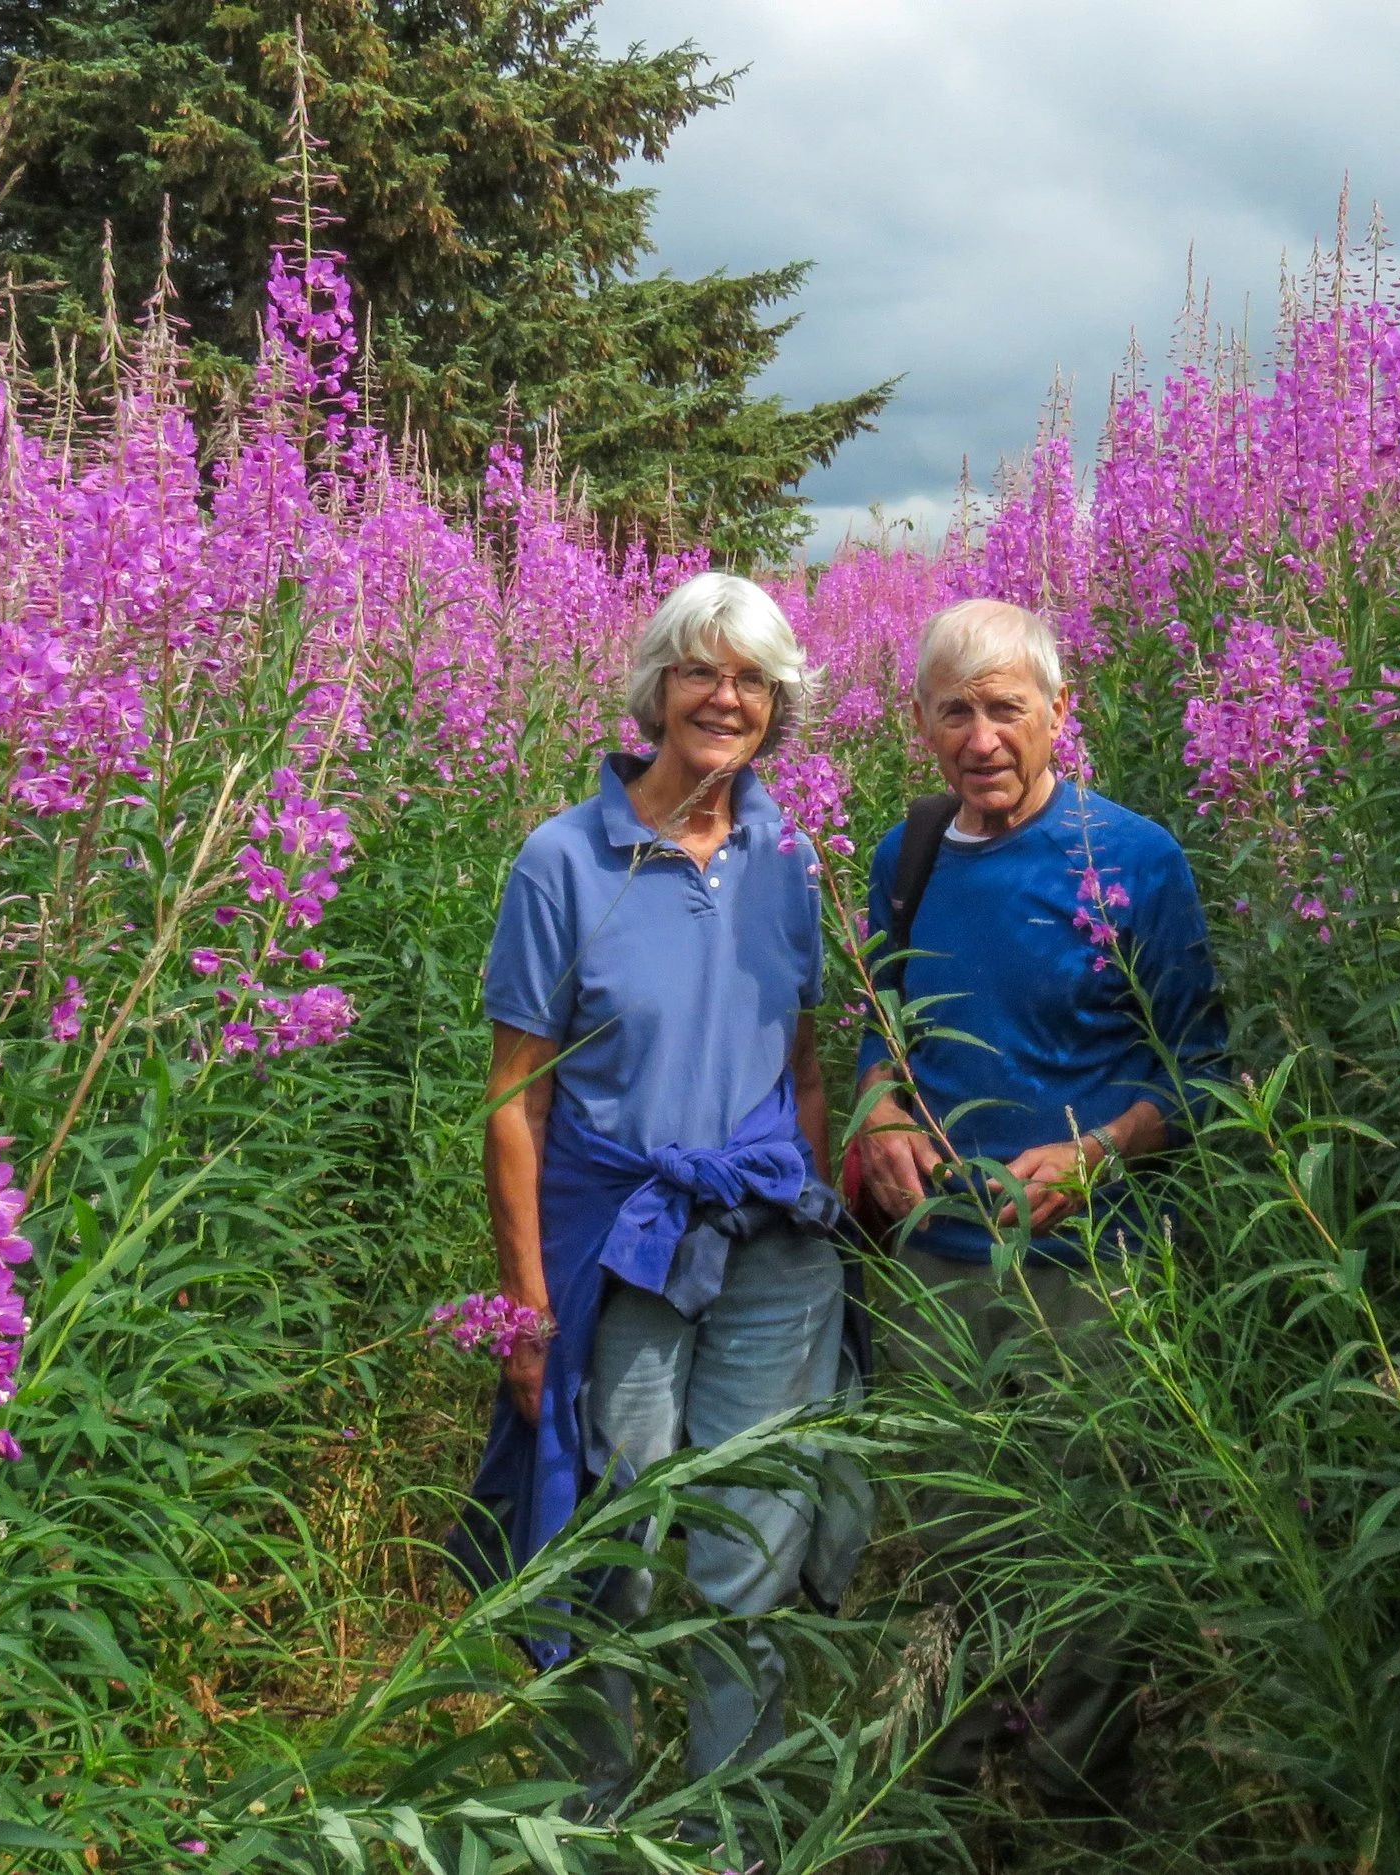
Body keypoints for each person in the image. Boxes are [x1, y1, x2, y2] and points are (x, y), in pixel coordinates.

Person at [457, 570, 855, 1792]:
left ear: (779, 703)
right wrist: (524, 1307)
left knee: (753, 1538)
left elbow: (802, 1066)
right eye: (699, 671)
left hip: (768, 1235)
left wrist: (823, 1219)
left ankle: (732, 1821)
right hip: (627, 1240)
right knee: (612, 1542)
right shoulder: (565, 860)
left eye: (750, 679)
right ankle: (598, 1817)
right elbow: (513, 1105)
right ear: (656, 689)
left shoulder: (790, 852)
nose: (723, 699)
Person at [851, 598, 1227, 1809]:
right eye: (953, 711)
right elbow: (880, 1028)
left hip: (1089, 1270)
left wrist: (1101, 1152)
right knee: (954, 1540)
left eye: (1006, 707)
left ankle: (1078, 1802)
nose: (980, 737)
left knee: (1091, 1537)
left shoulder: (1132, 857)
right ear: (920, 725)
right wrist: (877, 1109)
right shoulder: (901, 860)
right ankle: (952, 1793)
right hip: (938, 1267)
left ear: (1061, 712)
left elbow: (1204, 1075)